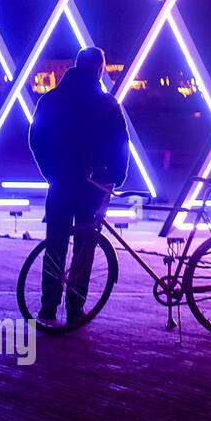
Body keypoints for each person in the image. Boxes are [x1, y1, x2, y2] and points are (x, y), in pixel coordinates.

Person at [28, 46, 130, 325]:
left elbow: (36, 139)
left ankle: (48, 307)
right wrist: (114, 178)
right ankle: (75, 308)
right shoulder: (106, 104)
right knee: (85, 247)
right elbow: (120, 145)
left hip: (60, 182)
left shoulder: (50, 100)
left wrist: (49, 171)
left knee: (55, 244)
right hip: (92, 184)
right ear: (99, 69)